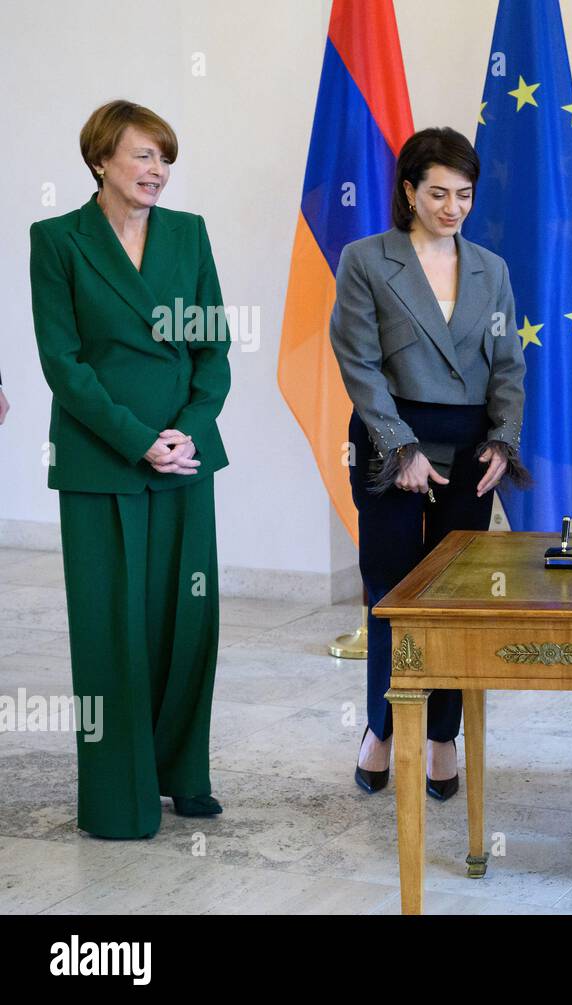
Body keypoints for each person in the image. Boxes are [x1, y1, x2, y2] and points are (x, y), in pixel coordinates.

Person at [29, 100, 232, 838]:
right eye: (144, 156)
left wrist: (187, 432)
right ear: (101, 160)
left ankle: (183, 771)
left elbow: (213, 349)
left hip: (185, 457)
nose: (158, 171)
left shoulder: (188, 234)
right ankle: (120, 798)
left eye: (165, 158)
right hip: (102, 460)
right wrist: (138, 438)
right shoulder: (56, 240)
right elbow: (63, 362)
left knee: (188, 621)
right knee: (114, 628)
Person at [330, 127, 526, 801]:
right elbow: (357, 360)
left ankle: (442, 734)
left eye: (464, 194)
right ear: (408, 191)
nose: (452, 207)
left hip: (470, 446)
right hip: (392, 440)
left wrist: (503, 437)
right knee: (390, 593)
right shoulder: (365, 260)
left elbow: (508, 364)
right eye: (437, 192)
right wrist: (399, 446)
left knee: (455, 596)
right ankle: (381, 728)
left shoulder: (490, 269)